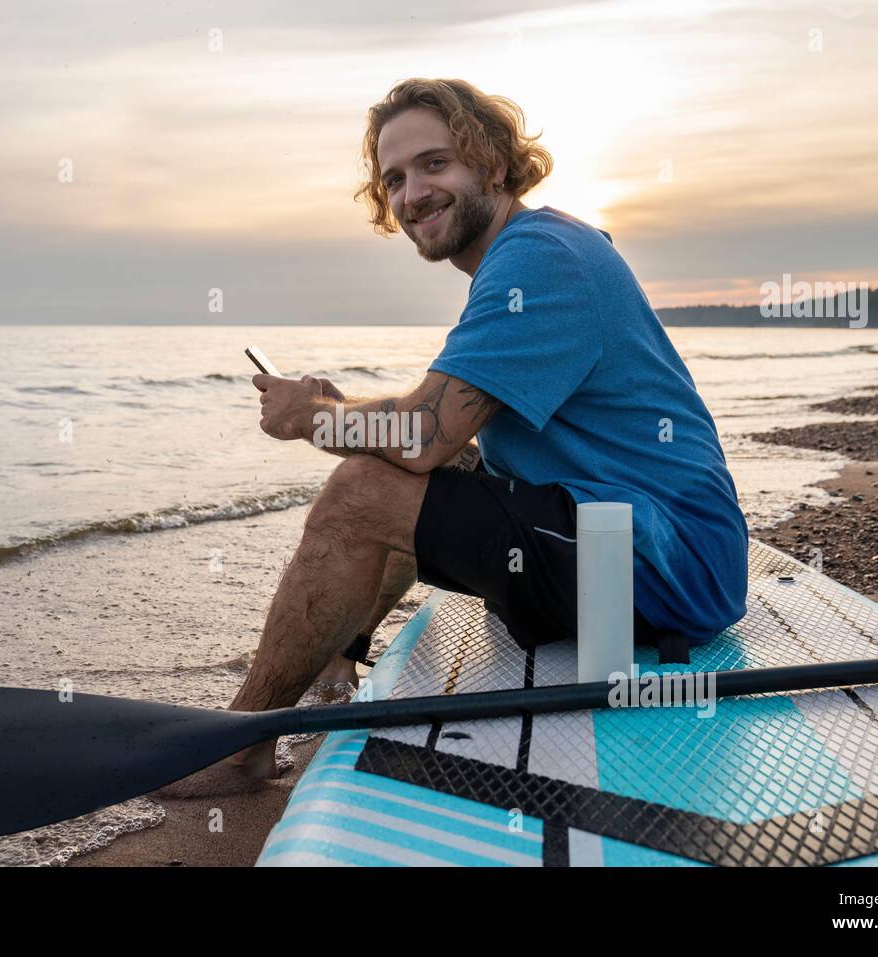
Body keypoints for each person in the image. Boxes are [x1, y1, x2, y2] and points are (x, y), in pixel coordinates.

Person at [226, 78, 748, 780]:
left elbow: (423, 433)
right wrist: (355, 420)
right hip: (635, 542)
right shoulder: (533, 251)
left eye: (435, 164)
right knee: (411, 474)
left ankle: (239, 745)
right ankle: (336, 666)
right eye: (396, 179)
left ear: (493, 164)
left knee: (360, 492)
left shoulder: (540, 261)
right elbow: (433, 446)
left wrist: (310, 417)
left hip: (657, 562)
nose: (413, 194)